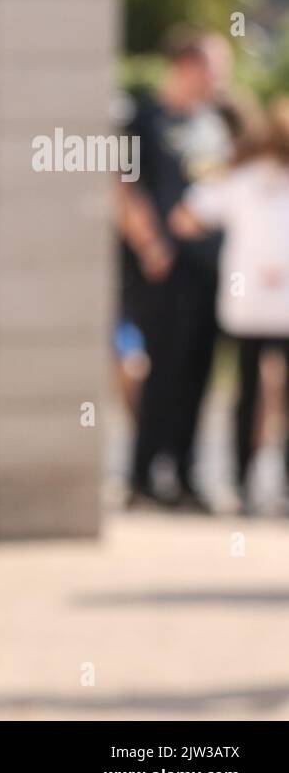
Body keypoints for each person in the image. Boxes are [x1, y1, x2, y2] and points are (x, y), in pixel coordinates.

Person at [115, 26, 233, 512]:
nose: (219, 77)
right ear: (185, 65)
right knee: (160, 372)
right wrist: (149, 244)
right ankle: (143, 477)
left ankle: (185, 475)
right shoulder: (144, 119)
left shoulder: (215, 123)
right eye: (212, 65)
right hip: (160, 272)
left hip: (209, 271)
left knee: (198, 373)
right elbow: (122, 185)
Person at [168, 97, 289, 516]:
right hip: (261, 307)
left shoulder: (238, 180)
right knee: (264, 396)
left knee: (248, 396)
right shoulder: (242, 181)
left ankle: (242, 482)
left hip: (249, 306)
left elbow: (187, 217)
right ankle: (258, 484)